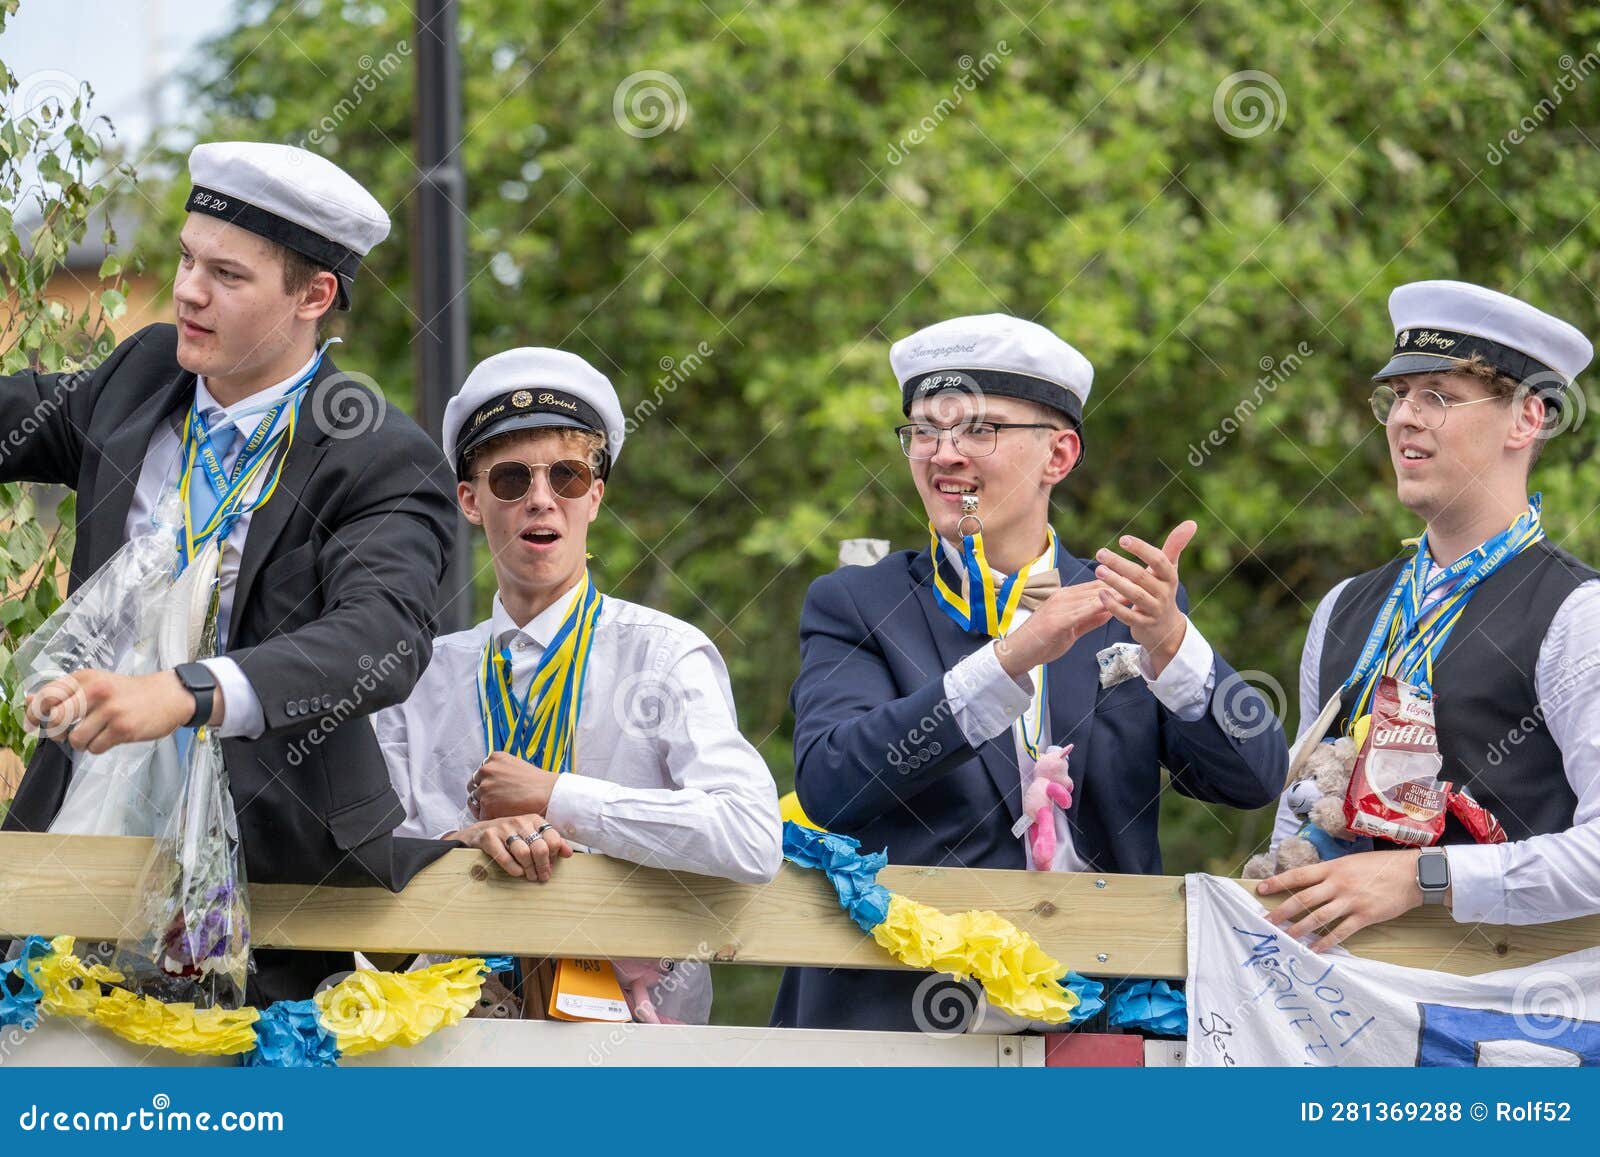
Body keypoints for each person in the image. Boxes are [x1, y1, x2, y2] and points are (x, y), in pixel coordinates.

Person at [2, 141, 459, 1003]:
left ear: (314, 296)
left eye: (228, 274)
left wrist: (187, 691)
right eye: (183, 258)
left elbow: (383, 638)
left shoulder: (378, 454)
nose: (186, 291)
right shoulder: (137, 377)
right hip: (78, 834)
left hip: (274, 885)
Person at [771, 312, 1287, 1032]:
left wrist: (1174, 642)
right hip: (903, 1024)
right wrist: (1008, 660)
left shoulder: (1128, 602)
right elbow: (831, 784)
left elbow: (1256, 778)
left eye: (979, 429)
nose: (943, 453)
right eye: (923, 430)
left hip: (1099, 1025)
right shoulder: (856, 602)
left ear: (1060, 454)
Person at [376, 347, 782, 1022]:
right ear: (471, 502)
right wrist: (458, 844)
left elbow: (749, 834)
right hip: (454, 1052)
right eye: (510, 480)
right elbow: (376, 856)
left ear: (595, 495)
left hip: (637, 1064)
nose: (541, 497)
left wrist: (558, 797)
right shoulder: (419, 676)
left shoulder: (665, 652)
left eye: (565, 475)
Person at [1259, 280, 1600, 946]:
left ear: (1526, 417)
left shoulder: (1578, 614)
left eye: (1438, 395)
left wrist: (1428, 877)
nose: (1404, 417)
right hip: (1333, 1012)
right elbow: (1291, 825)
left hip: (1503, 1018)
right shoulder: (1341, 607)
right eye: (1399, 395)